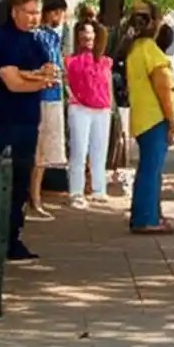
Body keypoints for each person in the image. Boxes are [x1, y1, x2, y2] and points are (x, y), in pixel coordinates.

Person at [0, 0, 59, 261]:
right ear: (14, 12)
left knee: (19, 183)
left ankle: (12, 240)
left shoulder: (36, 41)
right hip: (1, 120)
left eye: (36, 12)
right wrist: (38, 79)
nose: (33, 18)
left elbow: (49, 70)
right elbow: (12, 83)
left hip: (28, 121)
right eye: (28, 12)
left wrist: (34, 75)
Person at [120, 0, 174, 235]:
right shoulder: (151, 51)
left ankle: (148, 213)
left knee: (149, 168)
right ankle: (146, 218)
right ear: (154, 22)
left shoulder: (135, 48)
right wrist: (172, 120)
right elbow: (164, 88)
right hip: (155, 118)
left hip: (142, 117)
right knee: (151, 169)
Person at [64, 19, 113, 209]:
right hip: (80, 109)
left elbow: (107, 85)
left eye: (91, 33)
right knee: (78, 151)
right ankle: (76, 191)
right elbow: (66, 82)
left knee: (99, 151)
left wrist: (110, 107)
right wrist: (71, 98)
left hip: (102, 109)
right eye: (84, 33)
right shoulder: (70, 60)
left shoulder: (105, 61)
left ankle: (98, 189)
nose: (88, 37)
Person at [28, 0, 69, 220]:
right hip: (42, 96)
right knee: (39, 152)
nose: (59, 16)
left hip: (54, 97)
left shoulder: (53, 38)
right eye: (56, 12)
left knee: (44, 153)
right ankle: (33, 199)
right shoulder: (39, 37)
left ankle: (36, 197)